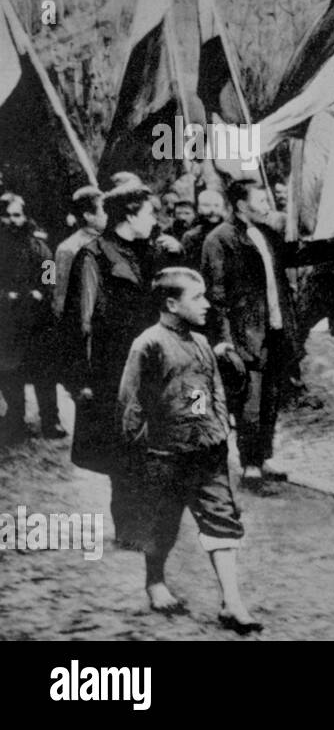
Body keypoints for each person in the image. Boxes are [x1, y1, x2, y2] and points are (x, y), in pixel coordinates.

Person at [117, 267, 261, 632]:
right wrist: (140, 453)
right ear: (171, 304)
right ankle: (155, 581)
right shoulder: (147, 344)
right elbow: (130, 404)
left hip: (206, 452)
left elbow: (213, 393)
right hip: (165, 455)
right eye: (197, 298)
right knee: (162, 524)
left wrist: (217, 430)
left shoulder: (200, 343)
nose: (208, 304)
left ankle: (232, 602)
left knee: (222, 521)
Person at [201, 179, 334, 482]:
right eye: (261, 201)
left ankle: (264, 457)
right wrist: (224, 341)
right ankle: (249, 462)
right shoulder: (218, 240)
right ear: (241, 205)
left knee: (271, 398)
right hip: (246, 334)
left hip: (275, 329)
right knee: (249, 400)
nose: (267, 206)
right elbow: (217, 297)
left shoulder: (266, 234)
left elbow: (297, 253)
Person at [63, 182, 166, 543]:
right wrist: (81, 381)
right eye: (151, 213)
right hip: (112, 370)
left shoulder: (150, 253)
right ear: (130, 215)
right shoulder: (93, 257)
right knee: (124, 451)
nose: (156, 220)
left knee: (149, 447)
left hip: (151, 366)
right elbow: (81, 320)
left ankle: (145, 524)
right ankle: (129, 529)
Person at [0, 194, 61, 441]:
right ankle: (15, 418)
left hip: (36, 320)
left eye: (17, 215)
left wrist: (40, 293)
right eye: (6, 215)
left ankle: (50, 419)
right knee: (8, 370)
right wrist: (7, 296)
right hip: (6, 320)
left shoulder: (40, 247)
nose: (12, 221)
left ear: (25, 217)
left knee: (44, 371)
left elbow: (50, 277)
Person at [53, 186, 106, 318]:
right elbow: (60, 296)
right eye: (104, 209)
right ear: (88, 216)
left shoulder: (107, 241)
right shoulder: (68, 248)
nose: (108, 214)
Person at [181, 189, 227, 268]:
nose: (212, 210)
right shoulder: (191, 237)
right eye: (206, 205)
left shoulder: (230, 234)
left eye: (217, 205)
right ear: (198, 209)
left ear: (223, 209)